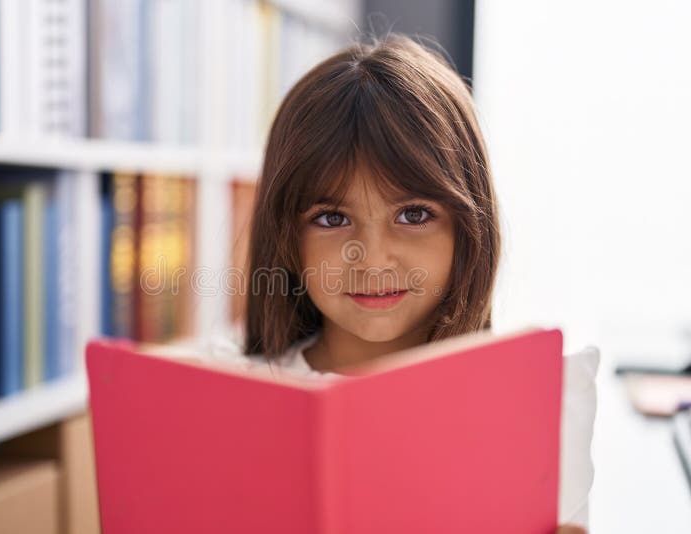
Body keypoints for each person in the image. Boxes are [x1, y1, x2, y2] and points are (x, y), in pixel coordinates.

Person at [232, 32, 594, 533]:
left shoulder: (536, 406)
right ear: (287, 236)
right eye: (333, 219)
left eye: (414, 213)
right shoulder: (235, 398)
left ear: (470, 229)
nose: (373, 258)